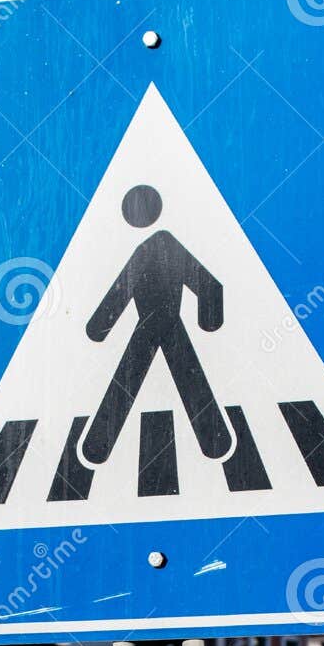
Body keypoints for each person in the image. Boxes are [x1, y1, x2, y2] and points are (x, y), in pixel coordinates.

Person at [81, 184, 234, 466]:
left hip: (157, 324)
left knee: (131, 381)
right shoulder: (157, 247)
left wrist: (99, 328)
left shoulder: (157, 247)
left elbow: (208, 285)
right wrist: (209, 320)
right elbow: (209, 285)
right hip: (160, 325)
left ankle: (97, 446)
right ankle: (216, 441)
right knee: (186, 377)